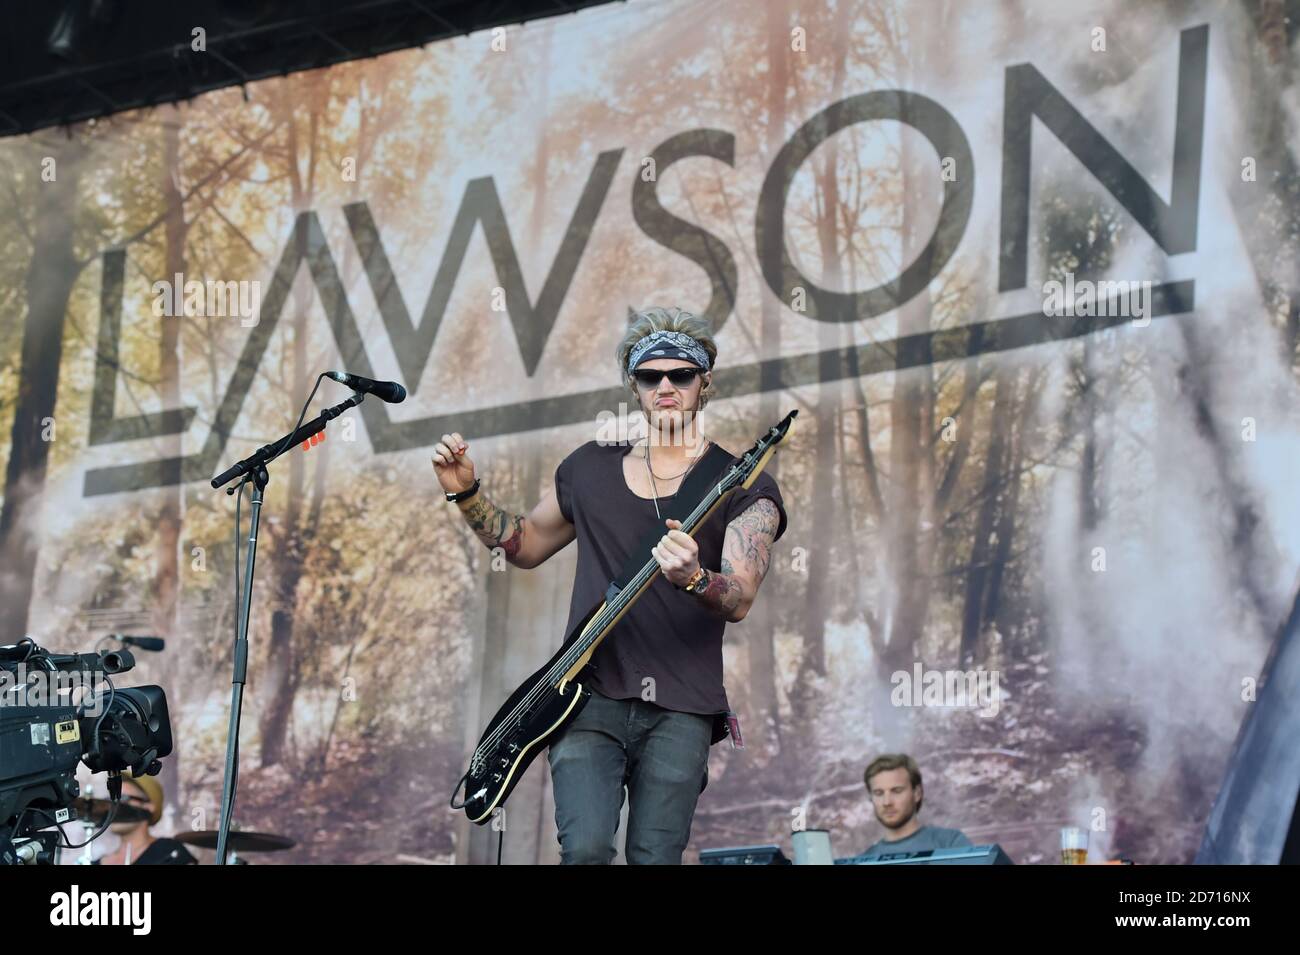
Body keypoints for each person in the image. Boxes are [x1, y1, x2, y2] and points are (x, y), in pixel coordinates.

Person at [433, 306, 788, 864]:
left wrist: (695, 578)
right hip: (586, 695)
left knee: (654, 856)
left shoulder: (745, 485)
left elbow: (740, 597)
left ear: (705, 384)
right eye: (651, 376)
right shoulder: (588, 469)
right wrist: (466, 493)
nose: (665, 386)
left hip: (682, 707)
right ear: (634, 386)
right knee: (588, 850)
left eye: (681, 375)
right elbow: (522, 545)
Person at [856, 753, 971, 859]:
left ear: (917, 793)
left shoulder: (950, 843)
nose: (887, 802)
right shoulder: (864, 861)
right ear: (871, 798)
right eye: (879, 793)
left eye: (897, 791)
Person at [96, 772, 197, 865]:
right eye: (110, 801)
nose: (114, 807)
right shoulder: (97, 862)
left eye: (122, 799)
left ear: (148, 806)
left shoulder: (170, 853)